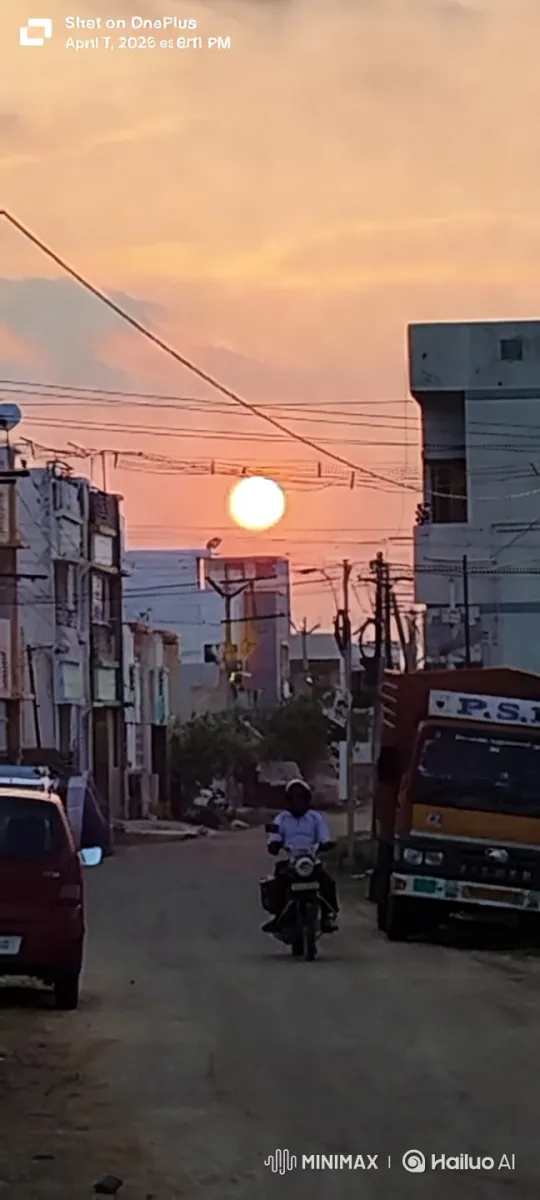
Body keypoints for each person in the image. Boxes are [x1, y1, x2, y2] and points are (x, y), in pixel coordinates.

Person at [261, 778, 339, 933]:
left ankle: (328, 915)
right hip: (289, 861)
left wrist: (325, 844)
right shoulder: (281, 818)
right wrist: (274, 844)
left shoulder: (316, 818)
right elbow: (274, 837)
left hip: (310, 861)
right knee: (278, 883)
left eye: (301, 797)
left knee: (327, 883)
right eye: (294, 797)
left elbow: (324, 836)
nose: (298, 801)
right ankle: (278, 916)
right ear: (288, 799)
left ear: (307, 798)